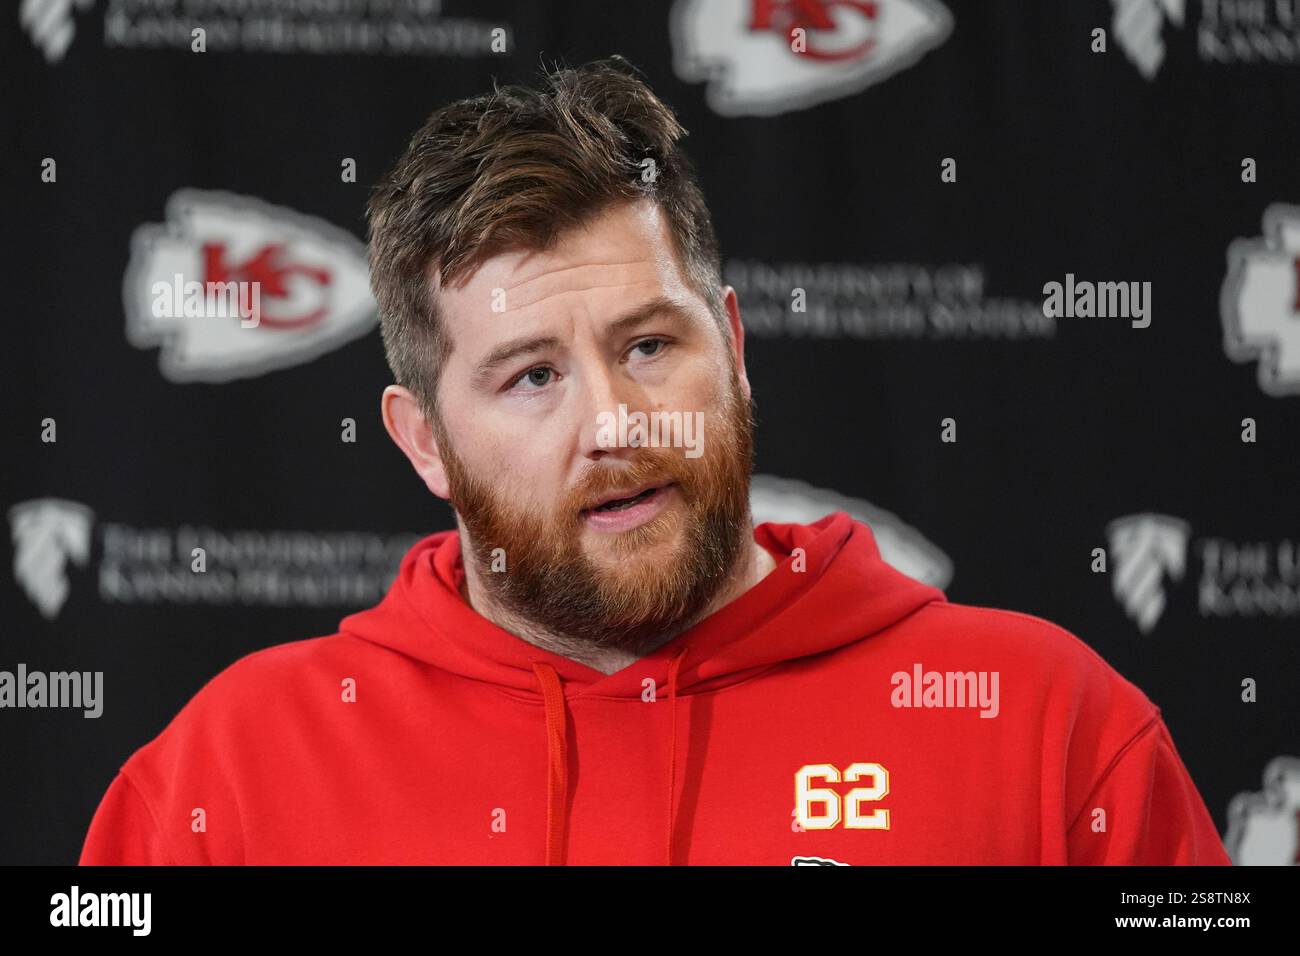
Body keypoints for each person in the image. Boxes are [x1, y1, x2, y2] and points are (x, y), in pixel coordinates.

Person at [79, 58, 1231, 866]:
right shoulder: (225, 775)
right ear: (421, 439)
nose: (616, 423)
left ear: (730, 346)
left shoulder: (1046, 726)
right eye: (531, 374)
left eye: (647, 344)